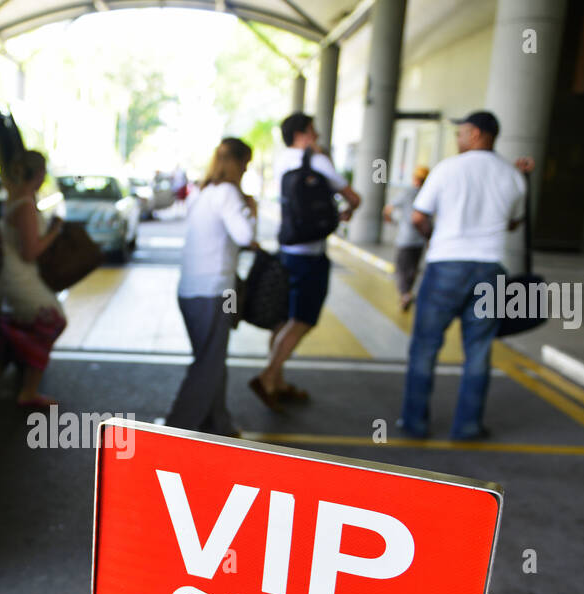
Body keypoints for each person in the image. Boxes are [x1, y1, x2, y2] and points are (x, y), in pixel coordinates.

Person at [398, 110, 533, 440]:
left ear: (476, 134)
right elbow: (513, 223)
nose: (457, 139)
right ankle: (468, 426)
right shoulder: (513, 176)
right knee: (479, 349)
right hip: (490, 269)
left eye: (461, 133)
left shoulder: (447, 169)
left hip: (446, 264)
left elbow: (418, 217)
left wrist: (435, 236)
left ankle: (415, 424)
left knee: (425, 347)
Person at [252, 112, 361, 411]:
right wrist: (347, 211)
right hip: (311, 254)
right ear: (303, 133)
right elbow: (353, 197)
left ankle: (278, 382)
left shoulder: (282, 159)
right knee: (302, 320)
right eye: (314, 130)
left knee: (284, 318)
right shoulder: (316, 160)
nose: (317, 136)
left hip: (288, 247)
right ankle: (268, 377)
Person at [165, 138, 258, 437]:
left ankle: (218, 423)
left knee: (211, 360)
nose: (246, 171)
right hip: (215, 291)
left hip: (190, 290)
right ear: (238, 164)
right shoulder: (229, 193)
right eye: (246, 165)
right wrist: (251, 209)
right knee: (209, 364)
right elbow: (245, 236)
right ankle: (175, 430)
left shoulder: (201, 193)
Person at [0, 150, 67, 407]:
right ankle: (28, 389)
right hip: (20, 276)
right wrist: (55, 232)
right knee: (53, 320)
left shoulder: (16, 197)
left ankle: (10, 368)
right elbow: (30, 252)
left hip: (10, 274)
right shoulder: (25, 205)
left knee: (28, 322)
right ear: (38, 173)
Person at [384, 165, 430, 311]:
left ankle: (405, 294)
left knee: (401, 268)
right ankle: (408, 292)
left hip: (405, 238)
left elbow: (388, 209)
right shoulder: (427, 193)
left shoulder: (407, 192)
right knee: (413, 269)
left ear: (414, 178)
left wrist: (390, 220)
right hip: (421, 239)